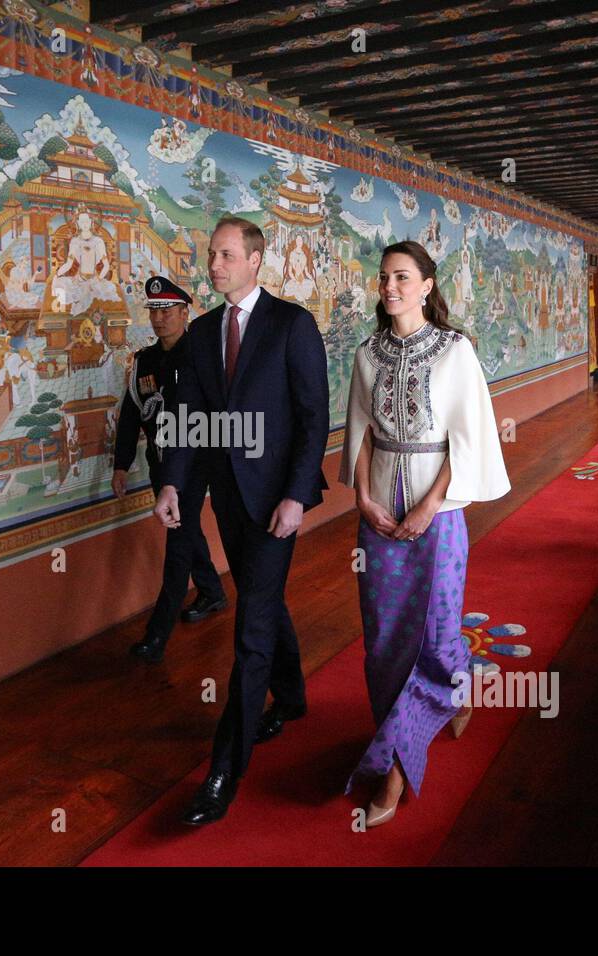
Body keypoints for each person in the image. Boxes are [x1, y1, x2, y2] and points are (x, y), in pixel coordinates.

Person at [154, 216, 329, 826]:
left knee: (251, 624)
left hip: (278, 500)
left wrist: (297, 497)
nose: (215, 265)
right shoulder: (203, 334)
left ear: (256, 260)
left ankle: (224, 770)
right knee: (264, 595)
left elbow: (313, 418)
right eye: (211, 255)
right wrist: (174, 480)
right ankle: (297, 696)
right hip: (226, 499)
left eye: (226, 255)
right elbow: (188, 413)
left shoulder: (292, 325)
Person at [339, 240, 510, 827]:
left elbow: (468, 436)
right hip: (378, 519)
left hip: (438, 516)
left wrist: (431, 506)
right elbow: (360, 432)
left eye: (403, 277)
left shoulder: (455, 352)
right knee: (385, 635)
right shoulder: (366, 354)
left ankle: (392, 768)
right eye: (384, 277)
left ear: (428, 285)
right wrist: (364, 498)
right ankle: (438, 708)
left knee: (435, 632)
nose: (390, 287)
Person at [113, 276, 228, 664]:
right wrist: (121, 464)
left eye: (167, 311)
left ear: (184, 313)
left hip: (194, 466)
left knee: (177, 543)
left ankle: (157, 635)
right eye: (154, 311)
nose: (159, 319)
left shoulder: (201, 355)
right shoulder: (144, 360)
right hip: (160, 463)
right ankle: (212, 590)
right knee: (185, 527)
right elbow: (131, 414)